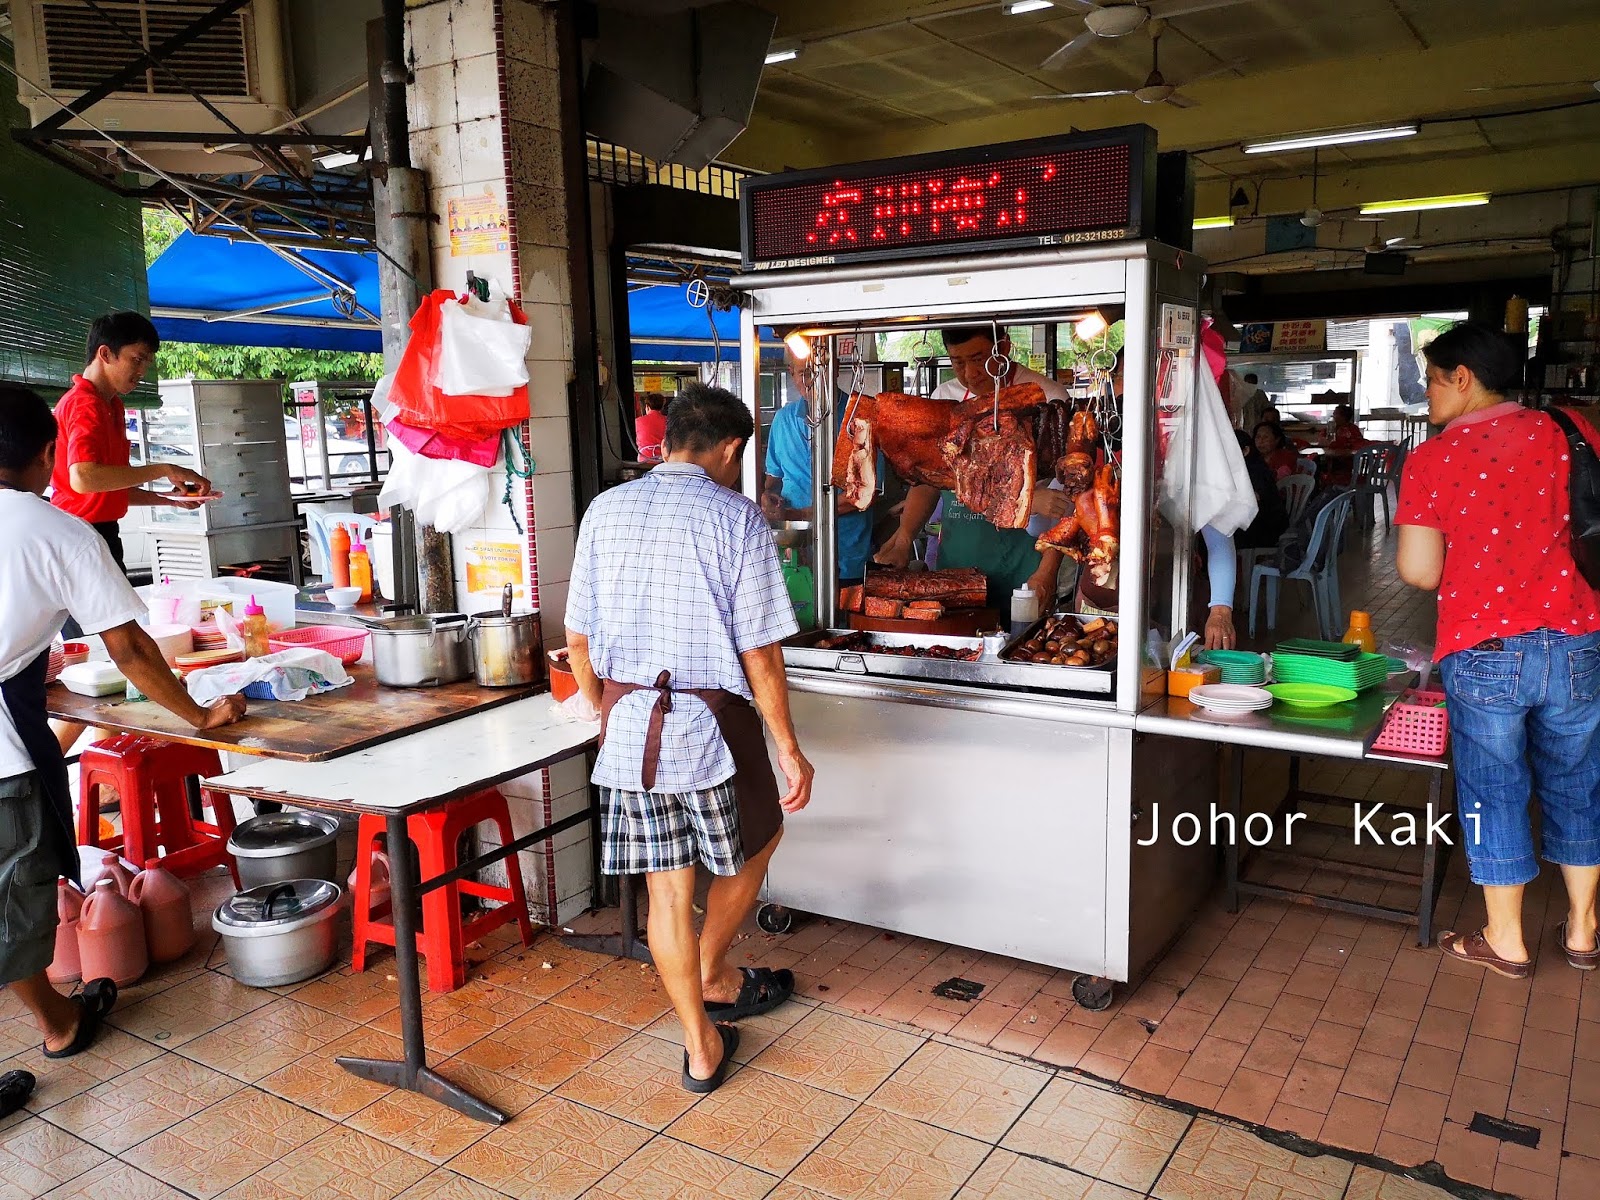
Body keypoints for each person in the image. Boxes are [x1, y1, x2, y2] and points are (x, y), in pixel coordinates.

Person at [0, 385, 247, 1119]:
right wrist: (200, 715)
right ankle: (59, 1023)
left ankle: (61, 1015)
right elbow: (133, 649)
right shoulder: (55, 532)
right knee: (14, 897)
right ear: (48, 455)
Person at [564, 382, 813, 1093]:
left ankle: (701, 1045)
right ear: (730, 448)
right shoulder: (734, 517)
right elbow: (761, 652)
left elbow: (577, 638)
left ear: (668, 438)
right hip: (714, 727)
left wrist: (602, 711)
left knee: (666, 891)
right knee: (759, 841)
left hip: (630, 728)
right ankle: (710, 971)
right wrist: (789, 748)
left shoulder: (604, 511)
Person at [1395, 321, 1600, 980]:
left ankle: (1506, 939)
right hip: (1577, 637)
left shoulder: (1433, 458)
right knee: (1578, 783)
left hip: (1485, 646)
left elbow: (1422, 573)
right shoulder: (1575, 431)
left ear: (1463, 377)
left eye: (1431, 381)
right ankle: (1582, 929)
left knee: (1493, 791)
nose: (1426, 396)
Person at [874, 324, 1068, 608]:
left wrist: (1047, 572)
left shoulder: (1046, 398)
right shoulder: (944, 398)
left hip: (1025, 560)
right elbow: (929, 480)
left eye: (978, 359)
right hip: (958, 556)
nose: (969, 374)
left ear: (1003, 348)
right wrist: (904, 538)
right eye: (958, 362)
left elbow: (1065, 501)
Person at [762, 346, 874, 584]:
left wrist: (800, 515)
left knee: (842, 618)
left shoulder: (859, 417)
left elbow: (863, 493)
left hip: (845, 553)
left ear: (835, 369)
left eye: (818, 372)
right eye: (803, 373)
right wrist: (767, 497)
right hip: (794, 554)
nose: (811, 381)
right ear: (791, 373)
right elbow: (773, 480)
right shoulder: (783, 420)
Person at [1234, 430, 1289, 550]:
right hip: (1253, 521)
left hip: (1267, 527)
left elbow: (1253, 498)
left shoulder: (1256, 470)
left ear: (1245, 451)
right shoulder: (1240, 468)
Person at [1322, 402, 1364, 487]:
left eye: (1335, 414)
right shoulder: (1331, 428)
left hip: (1347, 464)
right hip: (1333, 459)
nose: (1333, 416)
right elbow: (1322, 441)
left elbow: (1357, 444)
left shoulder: (1352, 429)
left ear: (1343, 417)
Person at [635, 393, 667, 462]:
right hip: (663, 459)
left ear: (647, 407)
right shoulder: (669, 421)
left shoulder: (638, 421)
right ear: (662, 407)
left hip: (644, 459)